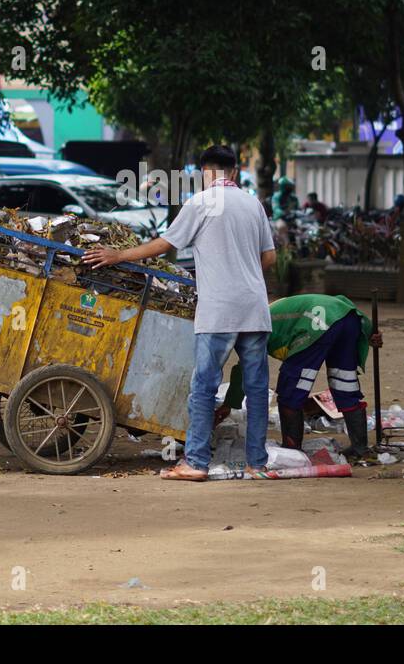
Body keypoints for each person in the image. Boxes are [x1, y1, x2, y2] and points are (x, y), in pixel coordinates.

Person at [83, 145, 275, 481]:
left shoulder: (200, 202)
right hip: (255, 307)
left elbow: (165, 244)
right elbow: (269, 257)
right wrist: (245, 275)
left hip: (218, 310)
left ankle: (196, 463)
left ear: (204, 172)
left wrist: (119, 255)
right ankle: (256, 463)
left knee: (204, 386)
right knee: (256, 389)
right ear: (233, 171)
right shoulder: (252, 203)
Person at [217, 294, 382, 459]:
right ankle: (360, 449)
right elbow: (343, 304)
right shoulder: (266, 313)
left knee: (291, 390)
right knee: (345, 384)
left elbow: (245, 368)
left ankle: (292, 450)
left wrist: (228, 404)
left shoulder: (250, 328)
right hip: (347, 318)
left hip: (315, 324)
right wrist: (368, 330)